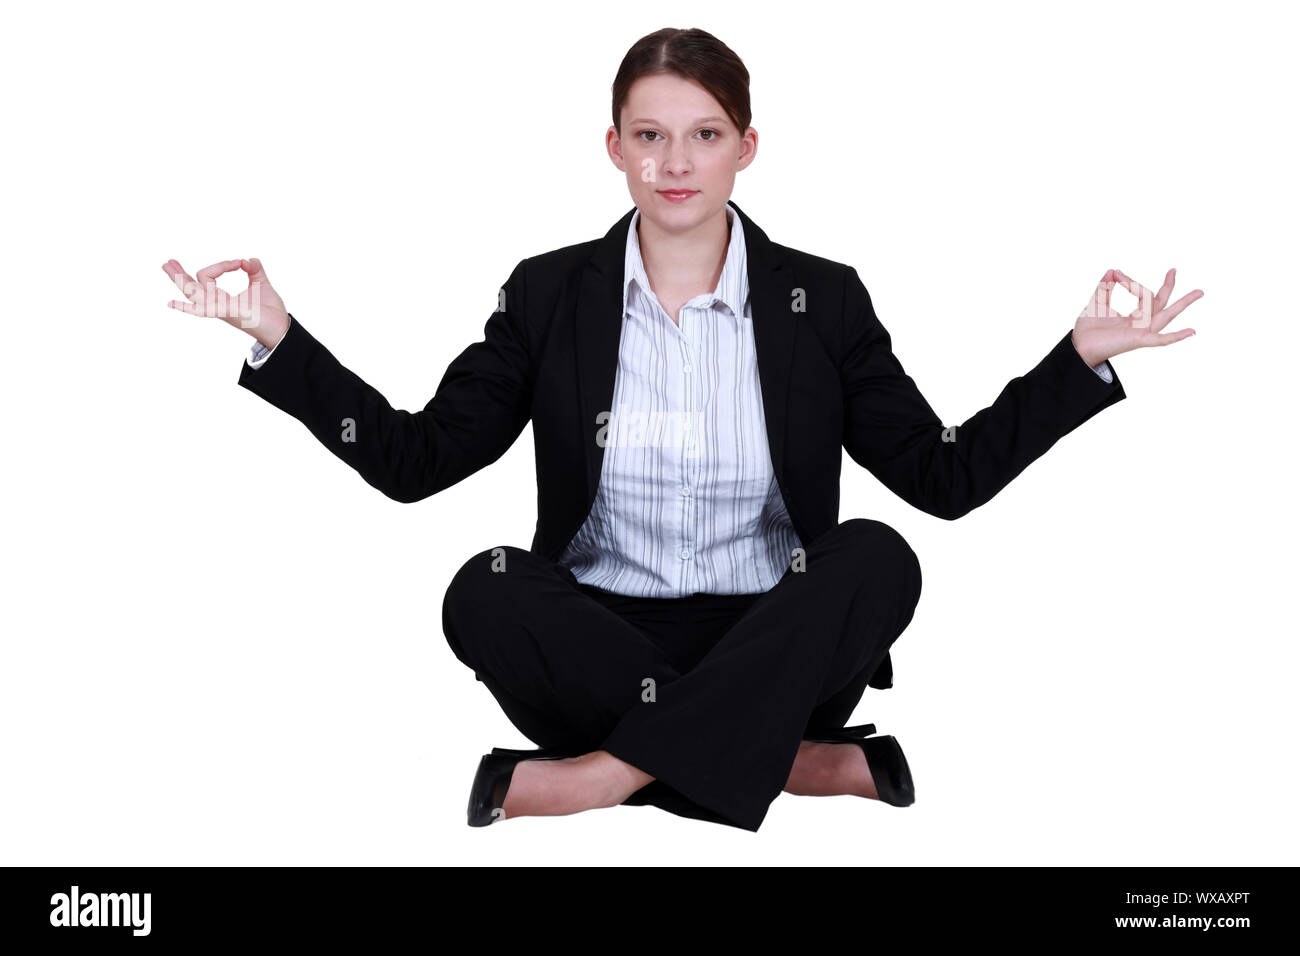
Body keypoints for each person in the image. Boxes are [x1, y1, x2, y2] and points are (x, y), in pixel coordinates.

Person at [161, 27, 1203, 833]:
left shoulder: (820, 299)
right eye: (649, 134)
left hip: (774, 632)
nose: (675, 162)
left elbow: (942, 476)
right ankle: (797, 761)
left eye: (704, 133)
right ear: (612, 145)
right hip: (601, 634)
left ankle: (608, 772)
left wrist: (1081, 360)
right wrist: (276, 339)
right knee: (481, 586)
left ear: (747, 146)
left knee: (880, 554)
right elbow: (415, 461)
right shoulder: (551, 293)